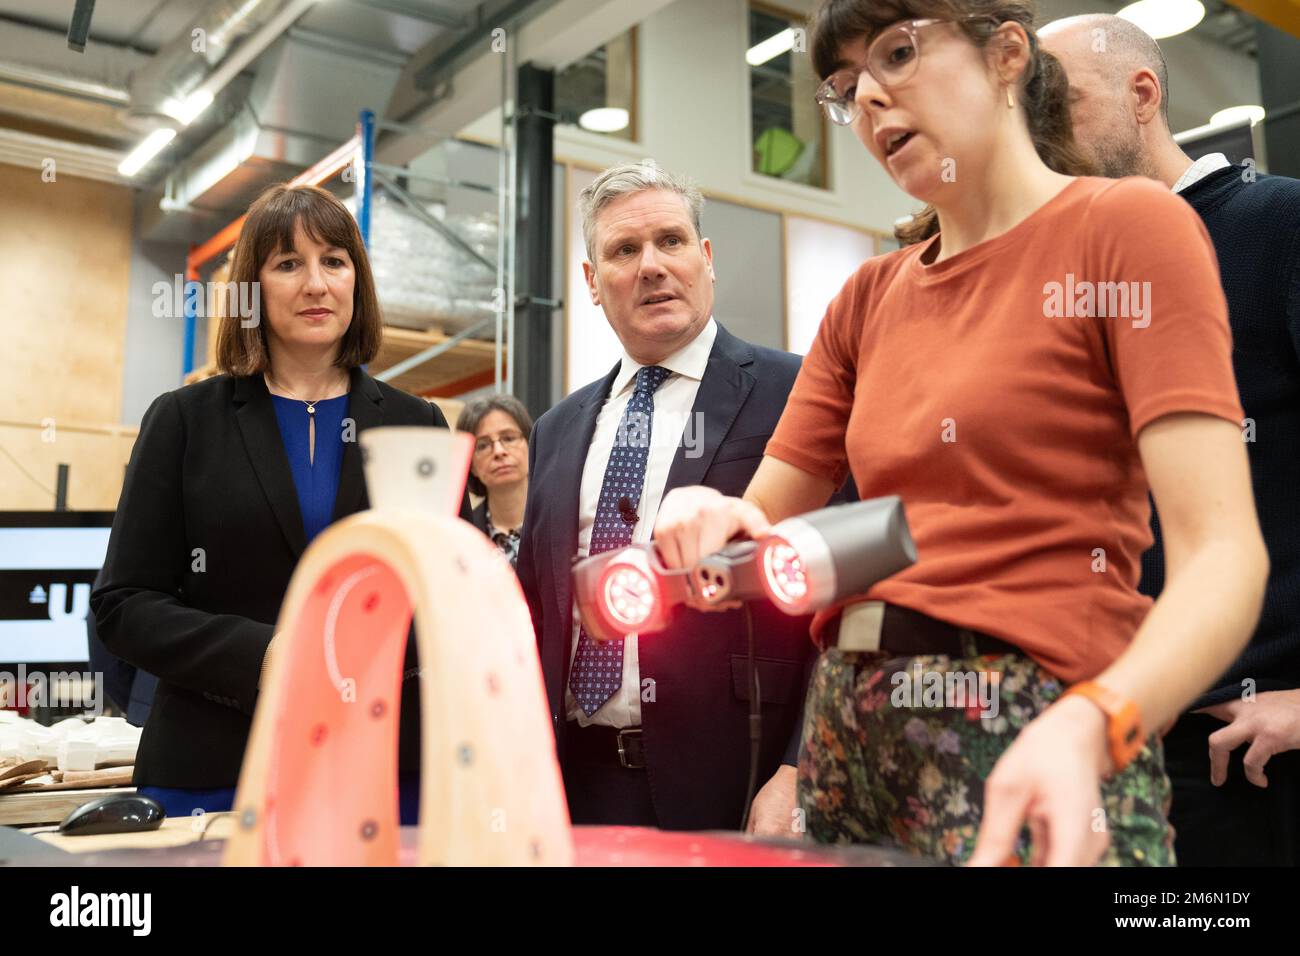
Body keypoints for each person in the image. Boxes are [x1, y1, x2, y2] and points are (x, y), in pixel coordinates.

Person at [651, 0, 1269, 866]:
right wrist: (706, 516)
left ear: (1007, 53)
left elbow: (1224, 556)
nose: (868, 99)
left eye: (898, 54)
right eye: (845, 86)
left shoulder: (1126, 229)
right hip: (849, 726)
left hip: (1036, 713)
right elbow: (762, 517)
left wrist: (1101, 721)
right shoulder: (867, 297)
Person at [91, 183, 470, 821]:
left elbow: (445, 600)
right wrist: (264, 655)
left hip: (383, 767)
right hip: (217, 765)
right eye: (288, 264)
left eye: (334, 261)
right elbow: (124, 604)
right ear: (252, 288)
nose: (316, 284)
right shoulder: (185, 420)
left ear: (357, 280)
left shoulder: (418, 424)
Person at [1042, 13, 1300, 866]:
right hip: (1122, 746)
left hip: (1262, 751)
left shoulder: (1278, 226)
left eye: (1058, 104)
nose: (1037, 136)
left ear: (1141, 94)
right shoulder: (1068, 284)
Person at [516, 162, 843, 834]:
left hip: (738, 783)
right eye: (624, 250)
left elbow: (844, 599)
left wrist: (799, 769)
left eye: (671, 241)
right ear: (591, 283)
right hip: (574, 787)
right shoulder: (554, 431)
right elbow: (534, 613)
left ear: (707, 259)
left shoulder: (799, 392)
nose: (652, 266)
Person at [456, 394, 532, 568]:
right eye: (482, 445)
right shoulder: (462, 532)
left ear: (530, 444)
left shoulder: (560, 519)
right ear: (471, 464)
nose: (498, 451)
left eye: (508, 438)